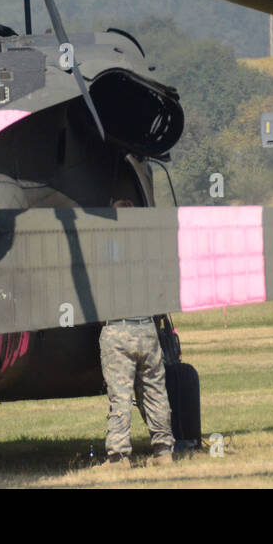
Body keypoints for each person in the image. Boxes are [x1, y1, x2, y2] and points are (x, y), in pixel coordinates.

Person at [99, 199, 174, 467]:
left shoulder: (108, 250)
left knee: (120, 395)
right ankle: (163, 451)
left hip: (118, 328)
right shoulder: (149, 252)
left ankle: (119, 456)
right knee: (155, 391)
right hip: (147, 328)